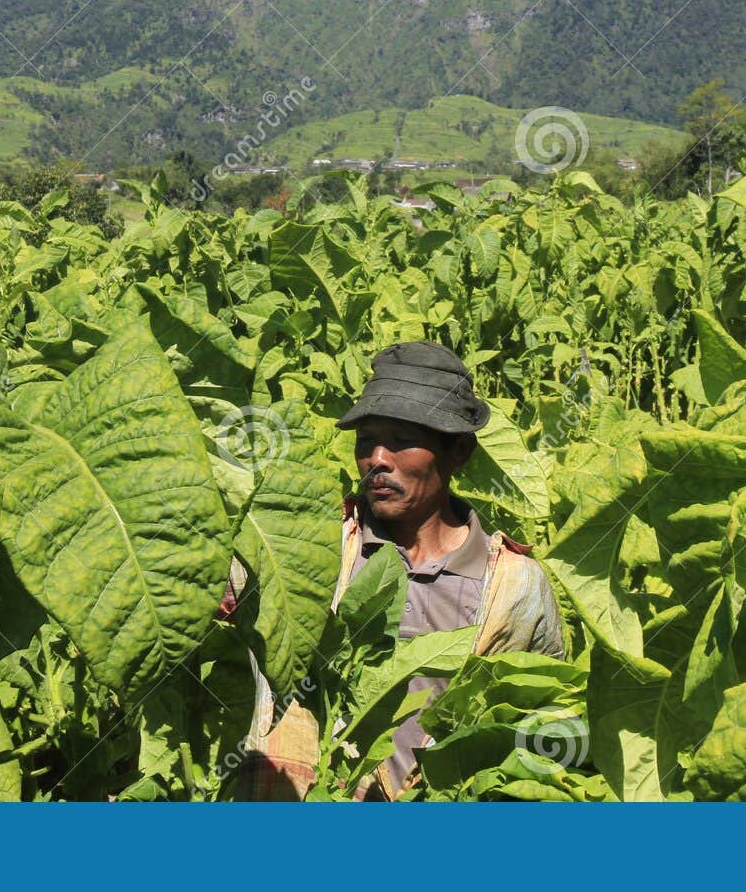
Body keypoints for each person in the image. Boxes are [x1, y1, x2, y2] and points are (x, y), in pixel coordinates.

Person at [233, 341, 566, 800]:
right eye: (366, 440)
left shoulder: (516, 586)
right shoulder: (311, 546)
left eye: (402, 440)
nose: (377, 459)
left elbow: (546, 713)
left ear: (459, 450)